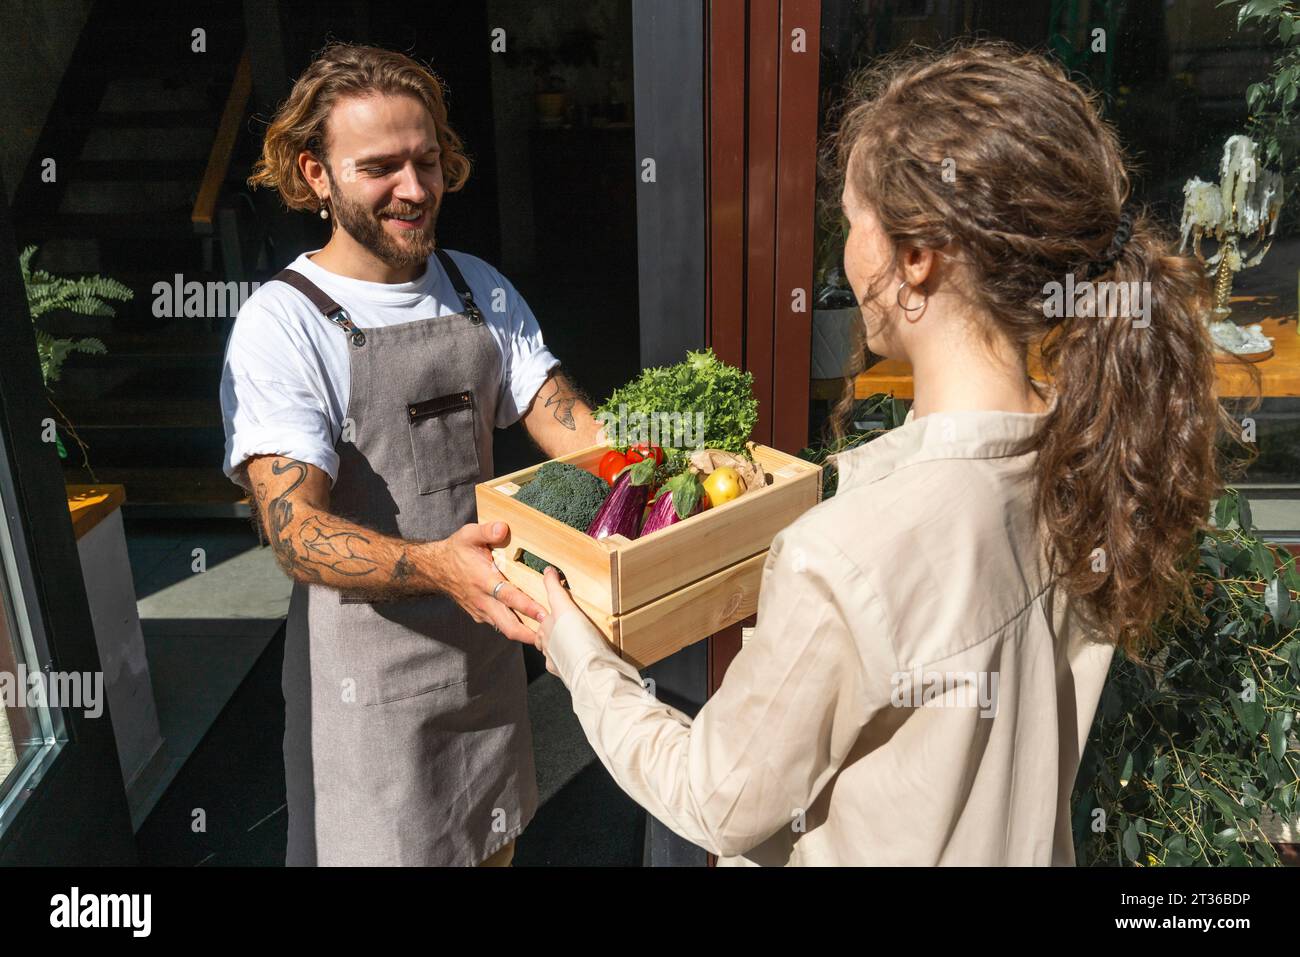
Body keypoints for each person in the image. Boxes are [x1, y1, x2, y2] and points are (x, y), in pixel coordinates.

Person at [522, 42, 1234, 865]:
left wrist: (575, 653)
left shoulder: (846, 555)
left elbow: (713, 799)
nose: (845, 253)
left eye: (855, 221)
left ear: (917, 255)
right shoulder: (1091, 447)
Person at [219, 42, 603, 866]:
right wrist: (438, 566)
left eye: (427, 161)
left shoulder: (477, 288)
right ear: (313, 173)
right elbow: (295, 531)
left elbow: (569, 421)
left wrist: (667, 467)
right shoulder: (283, 324)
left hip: (487, 661)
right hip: (367, 689)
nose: (416, 189)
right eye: (380, 166)